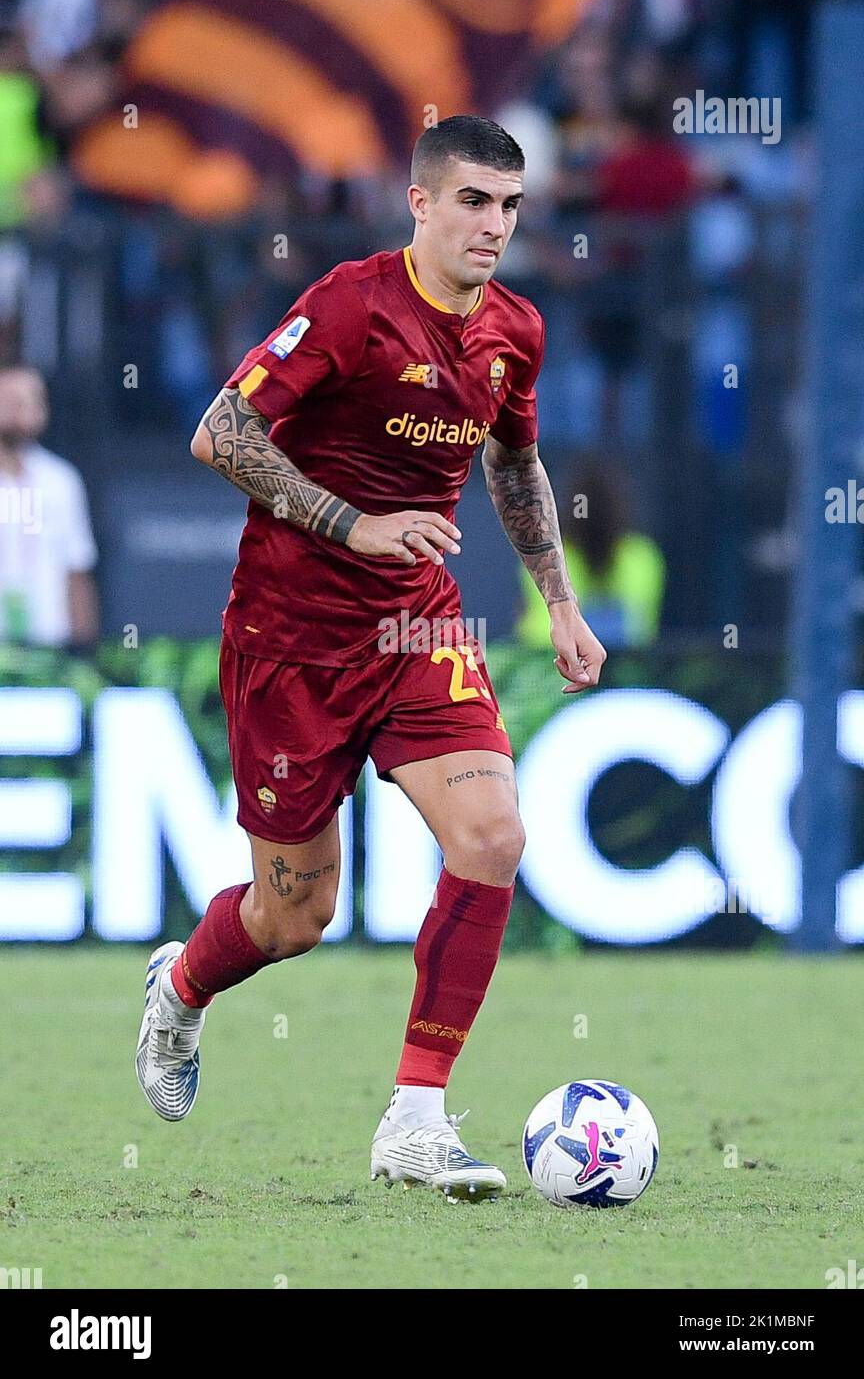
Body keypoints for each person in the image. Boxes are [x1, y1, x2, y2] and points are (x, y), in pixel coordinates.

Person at [135, 115, 606, 1201]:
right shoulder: (351, 305)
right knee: (295, 914)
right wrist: (355, 524)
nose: (495, 225)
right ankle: (183, 987)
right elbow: (221, 432)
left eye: (512, 206)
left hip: (418, 628)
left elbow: (516, 466)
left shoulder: (515, 330)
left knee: (494, 836)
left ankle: (417, 1118)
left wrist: (561, 600)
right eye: (475, 202)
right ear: (423, 203)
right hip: (291, 641)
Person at [0, 364, 98, 646]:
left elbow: (77, 570)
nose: (25, 410)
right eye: (14, 401)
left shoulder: (61, 480)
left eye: (34, 400)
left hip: (50, 645)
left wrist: (83, 652)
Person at [518, 461, 665, 648]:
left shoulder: (544, 556)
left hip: (557, 669)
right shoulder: (644, 557)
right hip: (623, 671)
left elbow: (535, 634)